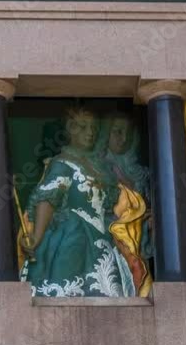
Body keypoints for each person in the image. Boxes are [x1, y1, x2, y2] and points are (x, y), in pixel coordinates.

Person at [20, 108, 150, 297]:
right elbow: (47, 200)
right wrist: (36, 237)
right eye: (83, 127)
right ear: (70, 129)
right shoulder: (62, 163)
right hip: (73, 237)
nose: (90, 132)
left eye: (94, 128)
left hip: (104, 239)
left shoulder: (100, 168)